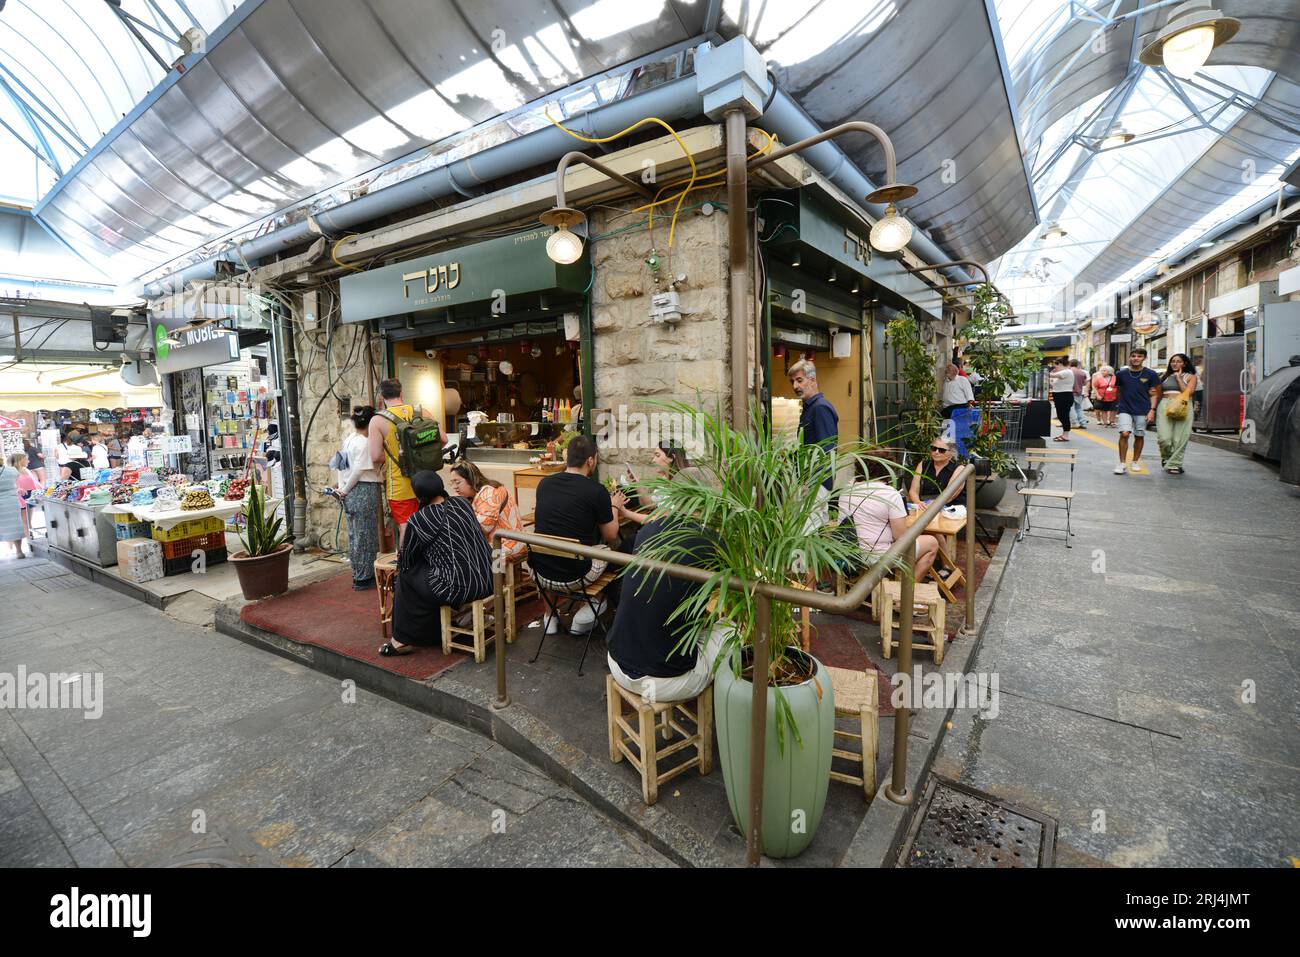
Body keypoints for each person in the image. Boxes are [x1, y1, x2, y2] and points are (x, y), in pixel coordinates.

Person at [606, 479, 728, 703]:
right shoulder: (711, 541)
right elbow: (729, 591)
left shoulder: (648, 530)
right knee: (731, 630)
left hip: (616, 661)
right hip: (664, 681)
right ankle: (730, 711)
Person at [380, 471, 493, 656]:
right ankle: (444, 623)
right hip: (488, 579)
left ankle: (400, 640)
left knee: (406, 576)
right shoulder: (462, 503)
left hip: (459, 588)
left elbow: (406, 559)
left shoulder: (420, 518)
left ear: (418, 495)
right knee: (431, 571)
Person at [531, 435, 627, 634]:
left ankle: (550, 618)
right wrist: (614, 506)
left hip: (540, 572)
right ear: (590, 461)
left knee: (552, 547)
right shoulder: (596, 491)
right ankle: (596, 603)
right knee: (608, 551)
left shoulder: (544, 484)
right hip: (576, 575)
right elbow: (610, 535)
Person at [841, 460, 940, 583]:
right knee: (932, 542)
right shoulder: (889, 494)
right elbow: (900, 537)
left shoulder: (847, 490)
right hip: (876, 556)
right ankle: (904, 596)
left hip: (847, 552)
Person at [368, 378, 420, 546]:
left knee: (406, 527)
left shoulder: (377, 420)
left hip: (400, 484)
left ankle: (406, 567)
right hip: (425, 479)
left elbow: (375, 456)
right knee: (427, 524)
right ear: (401, 393)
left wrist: (397, 456)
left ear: (382, 397)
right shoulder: (420, 411)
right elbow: (442, 439)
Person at [335, 406, 382, 591]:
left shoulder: (349, 439)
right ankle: (364, 577)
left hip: (349, 490)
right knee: (365, 535)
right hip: (362, 488)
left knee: (356, 534)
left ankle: (358, 574)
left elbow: (341, 465)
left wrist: (341, 489)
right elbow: (359, 470)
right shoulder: (363, 443)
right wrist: (344, 490)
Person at [448, 460, 526, 560]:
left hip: (509, 542)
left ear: (472, 479)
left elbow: (482, 528)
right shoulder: (472, 495)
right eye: (452, 483)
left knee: (462, 556)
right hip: (494, 542)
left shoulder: (489, 493)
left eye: (458, 482)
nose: (455, 487)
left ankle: (491, 576)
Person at [788, 359, 838, 490]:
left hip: (817, 485)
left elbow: (826, 452)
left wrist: (812, 484)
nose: (795, 386)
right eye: (792, 382)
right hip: (808, 481)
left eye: (799, 380)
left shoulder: (820, 408)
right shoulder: (810, 407)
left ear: (812, 380)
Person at [1112, 348, 1162, 475]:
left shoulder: (1151, 374)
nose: (1136, 358)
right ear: (1129, 357)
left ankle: (1134, 461)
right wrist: (1119, 404)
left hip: (1142, 409)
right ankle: (1122, 463)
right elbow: (1118, 390)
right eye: (1133, 356)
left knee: (1139, 435)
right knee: (1124, 433)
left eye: (1139, 356)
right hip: (1125, 408)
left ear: (1144, 358)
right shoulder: (1121, 373)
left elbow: (1154, 394)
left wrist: (1152, 410)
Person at [616, 441, 688, 526]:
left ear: (671, 458)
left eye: (657, 455)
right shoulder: (665, 480)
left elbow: (659, 519)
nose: (653, 460)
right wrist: (637, 483)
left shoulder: (679, 485)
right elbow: (650, 504)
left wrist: (625, 513)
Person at [1156, 353, 1198, 475]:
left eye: (1179, 361)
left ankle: (1175, 464)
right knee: (1164, 438)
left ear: (1184, 363)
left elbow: (1188, 393)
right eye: (1173, 361)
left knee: (1180, 437)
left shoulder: (1190, 377)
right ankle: (1166, 456)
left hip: (1183, 404)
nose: (1175, 363)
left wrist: (1179, 378)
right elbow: (1158, 393)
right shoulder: (1165, 376)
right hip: (1164, 404)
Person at [907, 437, 967, 509]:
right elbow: (913, 490)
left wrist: (934, 505)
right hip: (924, 507)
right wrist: (918, 502)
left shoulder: (959, 469)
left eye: (941, 450)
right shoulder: (923, 465)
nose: (936, 452)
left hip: (950, 509)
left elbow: (951, 495)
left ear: (951, 453)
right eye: (934, 448)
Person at [0, 453, 27, 559]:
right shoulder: (12, 471)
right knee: (15, 525)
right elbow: (13, 483)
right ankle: (19, 552)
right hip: (11, 502)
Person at [12, 452, 43, 541]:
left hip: (25, 495)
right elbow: (34, 483)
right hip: (24, 496)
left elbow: (34, 482)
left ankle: (29, 536)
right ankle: (29, 538)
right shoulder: (19, 470)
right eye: (26, 459)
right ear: (21, 460)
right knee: (26, 521)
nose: (29, 461)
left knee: (26, 520)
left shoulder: (21, 470)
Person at [1048, 358, 1076, 442]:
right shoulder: (1062, 373)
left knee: (1064, 416)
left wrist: (1049, 372)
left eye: (1055, 366)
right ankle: (1064, 434)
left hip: (1064, 396)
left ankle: (1066, 435)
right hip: (1060, 396)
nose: (1054, 367)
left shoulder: (1067, 371)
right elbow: (1053, 382)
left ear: (1060, 364)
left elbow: (1051, 375)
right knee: (1061, 415)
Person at [1090, 364, 1119, 428]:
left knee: (1113, 410)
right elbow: (1095, 387)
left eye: (1104, 371)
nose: (1102, 372)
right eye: (1101, 371)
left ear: (1109, 371)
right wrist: (1097, 395)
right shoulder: (1099, 379)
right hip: (1103, 397)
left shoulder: (1115, 378)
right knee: (1104, 410)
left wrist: (1118, 395)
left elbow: (1119, 387)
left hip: (1114, 397)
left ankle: (1112, 422)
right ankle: (1105, 422)